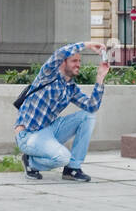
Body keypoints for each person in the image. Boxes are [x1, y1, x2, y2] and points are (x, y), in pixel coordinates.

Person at [13, 42, 108, 182]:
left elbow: (92, 107)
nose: (78, 64)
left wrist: (100, 79)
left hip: (49, 131)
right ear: (63, 63)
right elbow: (59, 53)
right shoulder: (48, 74)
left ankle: (72, 169)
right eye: (74, 61)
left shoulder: (71, 88)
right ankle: (31, 162)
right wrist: (87, 45)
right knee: (63, 157)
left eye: (79, 61)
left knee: (88, 116)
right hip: (28, 135)